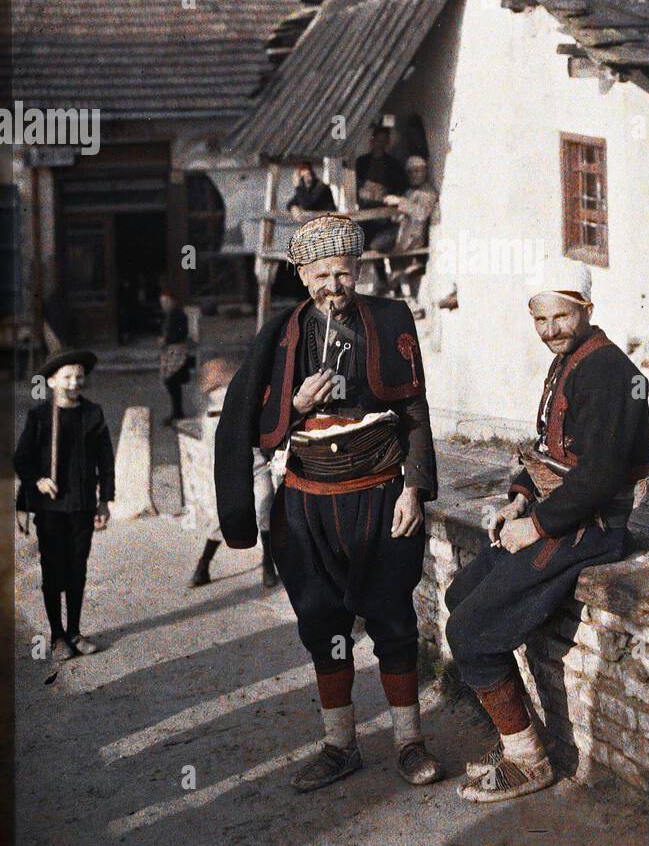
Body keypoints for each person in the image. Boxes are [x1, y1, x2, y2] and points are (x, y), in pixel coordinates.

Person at [214, 213, 442, 792]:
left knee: (394, 619)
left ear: (358, 270)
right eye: (319, 276)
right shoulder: (280, 333)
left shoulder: (391, 318)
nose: (332, 286)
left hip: (382, 495)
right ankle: (340, 746)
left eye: (342, 273)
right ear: (300, 273)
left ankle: (410, 742)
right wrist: (293, 402)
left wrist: (414, 488)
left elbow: (414, 410)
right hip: (308, 505)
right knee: (322, 622)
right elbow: (249, 424)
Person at [445, 260, 649, 802]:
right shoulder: (571, 362)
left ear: (587, 310)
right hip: (559, 512)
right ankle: (516, 735)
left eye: (563, 316)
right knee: (459, 594)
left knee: (469, 633)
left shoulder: (609, 372)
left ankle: (530, 761)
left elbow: (601, 475)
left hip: (592, 527)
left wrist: (535, 526)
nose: (552, 329)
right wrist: (518, 499)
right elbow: (548, 450)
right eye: (541, 319)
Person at [14, 349, 115, 661]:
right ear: (53, 381)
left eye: (79, 376)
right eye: (67, 377)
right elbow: (21, 460)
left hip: (82, 505)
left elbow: (106, 461)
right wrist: (39, 480)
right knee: (53, 570)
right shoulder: (40, 416)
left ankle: (74, 631)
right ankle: (57, 636)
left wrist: (104, 501)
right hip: (50, 509)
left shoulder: (93, 414)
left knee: (77, 570)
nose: (74, 382)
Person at [189, 356, 279, 590]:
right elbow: (212, 442)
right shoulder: (211, 407)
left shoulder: (249, 396)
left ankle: (268, 565)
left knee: (264, 508)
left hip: (256, 463)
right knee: (224, 516)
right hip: (231, 468)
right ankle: (203, 564)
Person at [385, 155, 438, 301]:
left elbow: (421, 213)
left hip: (415, 237)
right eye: (411, 172)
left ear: (425, 172)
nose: (414, 175)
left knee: (384, 246)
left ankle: (404, 294)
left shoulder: (428, 191)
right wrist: (396, 212)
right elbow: (399, 216)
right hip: (405, 234)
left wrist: (400, 201)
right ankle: (402, 293)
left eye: (417, 171)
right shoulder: (410, 192)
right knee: (383, 247)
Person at [355, 124, 407, 253]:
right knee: (362, 245)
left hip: (383, 212)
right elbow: (356, 184)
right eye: (378, 140)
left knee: (381, 246)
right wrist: (363, 191)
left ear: (388, 143)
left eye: (384, 141)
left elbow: (402, 186)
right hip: (365, 210)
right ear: (372, 140)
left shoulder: (393, 163)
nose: (380, 144)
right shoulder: (362, 162)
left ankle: (383, 273)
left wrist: (386, 194)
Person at [159, 287, 191, 425]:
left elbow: (181, 333)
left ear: (173, 301)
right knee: (170, 381)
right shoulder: (169, 315)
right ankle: (176, 411)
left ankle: (177, 412)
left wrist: (166, 340)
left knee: (172, 380)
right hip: (170, 351)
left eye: (166, 302)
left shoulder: (178, 314)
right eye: (162, 302)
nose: (164, 305)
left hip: (176, 350)